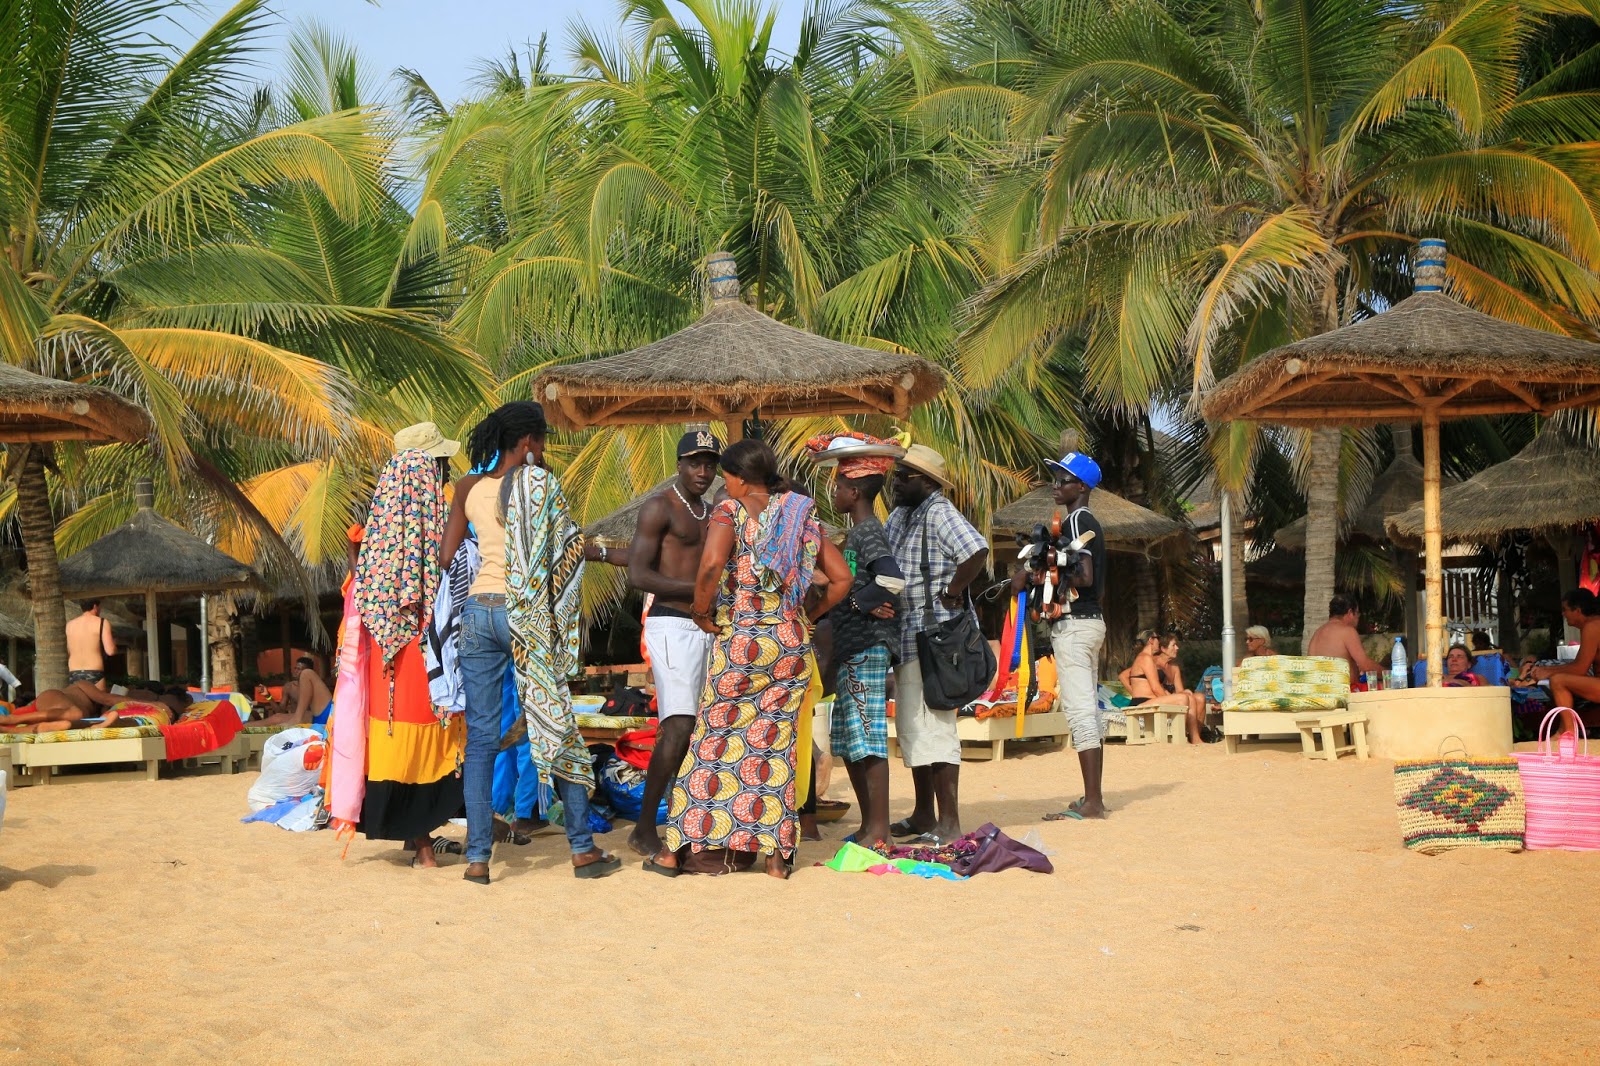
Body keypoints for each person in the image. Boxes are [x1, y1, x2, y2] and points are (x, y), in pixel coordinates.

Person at [654, 439, 852, 879]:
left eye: (725, 476)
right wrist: (807, 616)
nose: (723, 484)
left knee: (711, 742)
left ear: (739, 477)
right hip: (790, 644)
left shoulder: (731, 510)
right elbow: (842, 578)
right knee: (774, 746)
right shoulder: (801, 512)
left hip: (743, 640)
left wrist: (702, 613)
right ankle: (777, 859)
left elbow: (709, 567)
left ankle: (672, 851)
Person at [442, 402, 617, 884]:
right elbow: (567, 550)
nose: (540, 453)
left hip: (478, 612)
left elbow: (444, 555)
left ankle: (478, 859)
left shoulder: (466, 488)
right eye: (538, 443)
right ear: (526, 444)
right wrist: (603, 552)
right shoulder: (540, 485)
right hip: (526, 614)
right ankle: (582, 849)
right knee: (555, 722)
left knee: (480, 739)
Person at [340, 424, 467, 871]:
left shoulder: (380, 529)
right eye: (441, 462)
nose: (447, 468)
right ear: (423, 468)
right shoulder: (433, 523)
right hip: (417, 652)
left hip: (387, 656)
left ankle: (420, 840)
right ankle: (425, 845)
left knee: (405, 736)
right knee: (424, 731)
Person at [622, 429, 722, 860]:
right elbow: (639, 574)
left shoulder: (715, 511)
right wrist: (697, 590)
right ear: (679, 464)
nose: (702, 471)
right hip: (669, 625)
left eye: (709, 463)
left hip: (706, 626)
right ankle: (645, 826)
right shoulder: (659, 507)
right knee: (677, 725)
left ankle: (684, 819)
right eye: (695, 462)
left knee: (698, 730)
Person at [884, 445, 990, 843]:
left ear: (926, 483)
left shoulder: (938, 511)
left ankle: (949, 822)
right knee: (914, 726)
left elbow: (976, 549)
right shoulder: (900, 515)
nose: (896, 482)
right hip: (909, 635)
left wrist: (951, 590)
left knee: (937, 725)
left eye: (904, 477)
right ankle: (924, 814)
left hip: (937, 637)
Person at [806, 432, 904, 848]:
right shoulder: (859, 531)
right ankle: (869, 825)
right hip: (854, 645)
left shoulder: (868, 531)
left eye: (840, 486)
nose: (835, 492)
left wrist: (861, 605)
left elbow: (892, 577)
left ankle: (878, 828)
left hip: (866, 644)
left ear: (856, 490)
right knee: (852, 740)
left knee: (867, 738)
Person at [1526, 588, 1600, 735]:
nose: (1563, 614)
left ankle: (1568, 733)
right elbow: (1578, 664)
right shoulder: (1592, 625)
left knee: (1558, 681)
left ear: (1577, 610)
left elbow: (1580, 669)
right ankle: (1564, 728)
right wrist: (1547, 671)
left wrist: (1548, 672)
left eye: (1565, 609)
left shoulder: (1592, 626)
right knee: (1557, 679)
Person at [1306, 594, 1382, 681]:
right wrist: (1390, 674)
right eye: (1357, 613)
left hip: (1318, 692)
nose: (1358, 618)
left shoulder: (1317, 633)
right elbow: (1366, 666)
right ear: (1350, 613)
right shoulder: (1347, 631)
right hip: (1341, 692)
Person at [254, 657, 330, 727]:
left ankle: (297, 718)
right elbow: (280, 711)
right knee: (277, 718)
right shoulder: (289, 687)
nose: (296, 671)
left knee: (279, 718)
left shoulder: (313, 682)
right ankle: (243, 726)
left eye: (299, 669)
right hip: (294, 718)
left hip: (312, 716)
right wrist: (268, 696)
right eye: (295, 668)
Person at [65, 601, 116, 688]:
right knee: (99, 701)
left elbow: (68, 651)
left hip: (74, 673)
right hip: (94, 672)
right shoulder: (102, 622)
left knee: (77, 701)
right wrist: (114, 644)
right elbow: (110, 651)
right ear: (95, 606)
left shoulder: (69, 625)